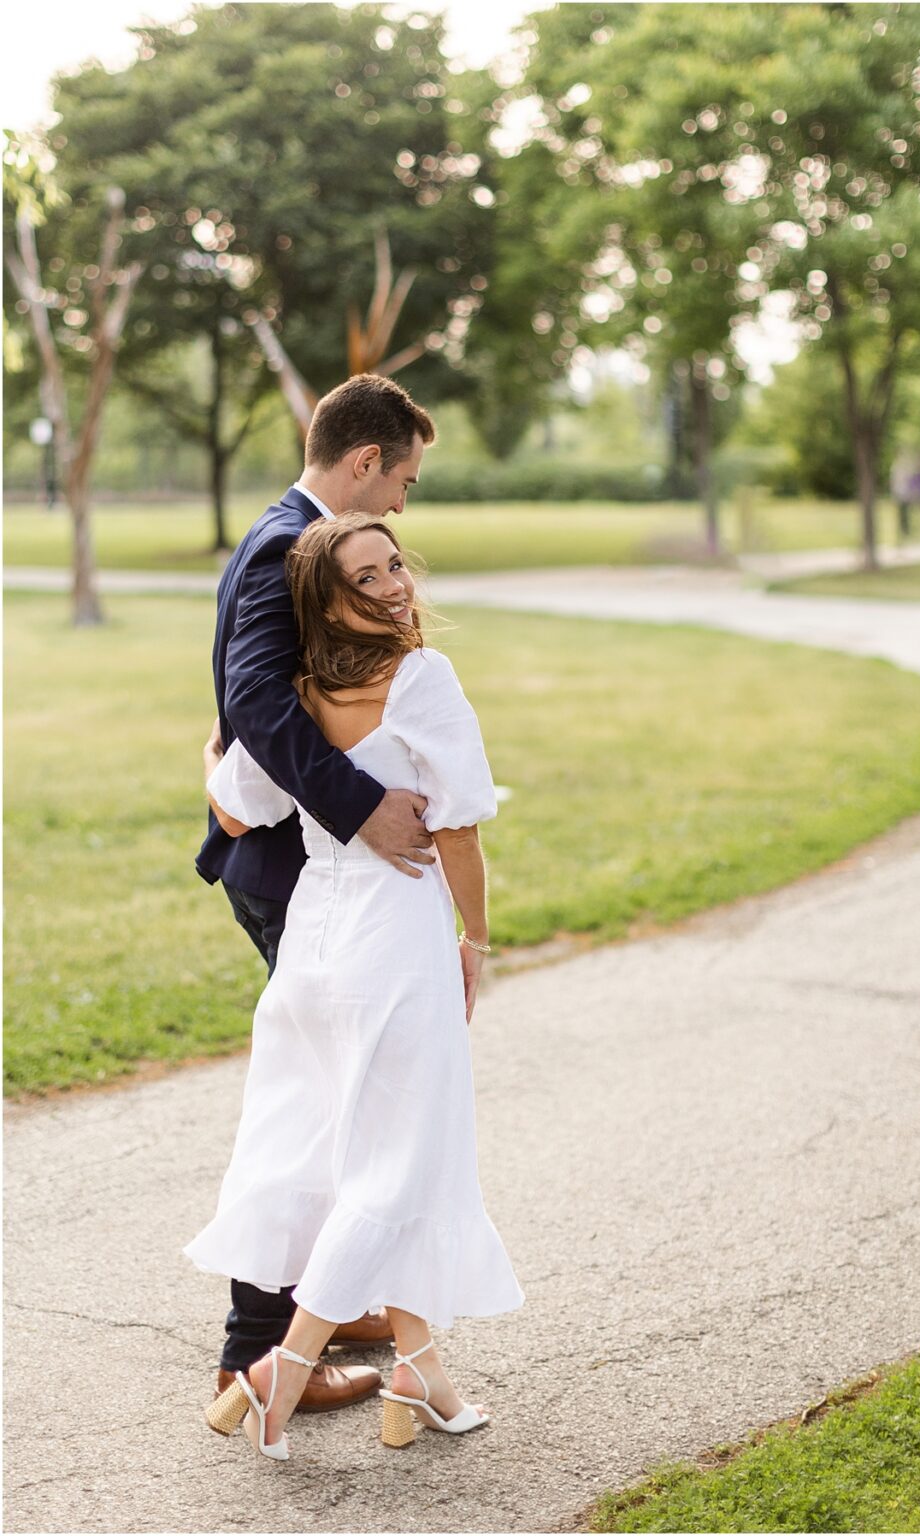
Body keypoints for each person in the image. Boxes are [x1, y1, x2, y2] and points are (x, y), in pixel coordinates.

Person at [186, 514, 523, 1459]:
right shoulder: (423, 680)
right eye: (367, 577)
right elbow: (458, 828)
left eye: (394, 565)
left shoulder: (294, 696)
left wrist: (208, 755)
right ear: (329, 600)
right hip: (392, 949)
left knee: (373, 1154)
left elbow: (240, 803)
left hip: (313, 954)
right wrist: (478, 941)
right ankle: (277, 1373)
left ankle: (419, 1373)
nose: (395, 585)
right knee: (396, 1165)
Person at [194, 374, 438, 1413]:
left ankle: (324, 1302)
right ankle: (256, 1348)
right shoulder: (282, 546)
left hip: (300, 856)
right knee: (312, 1103)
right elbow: (252, 697)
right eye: (403, 480)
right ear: (363, 461)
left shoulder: (296, 538)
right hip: (298, 866)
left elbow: (259, 699)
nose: (401, 506)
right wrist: (361, 808)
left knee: (335, 1093)